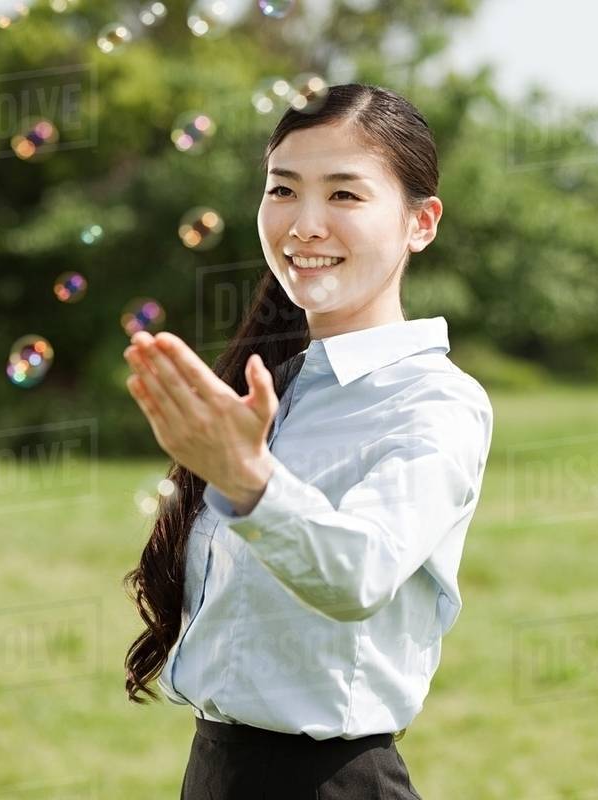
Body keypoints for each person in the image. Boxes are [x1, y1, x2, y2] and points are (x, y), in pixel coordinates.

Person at [121, 83, 494, 799]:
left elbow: (359, 572)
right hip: (215, 772)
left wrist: (249, 481)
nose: (304, 225)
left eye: (345, 196)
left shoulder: (435, 402)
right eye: (283, 190)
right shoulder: (278, 388)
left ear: (422, 222)